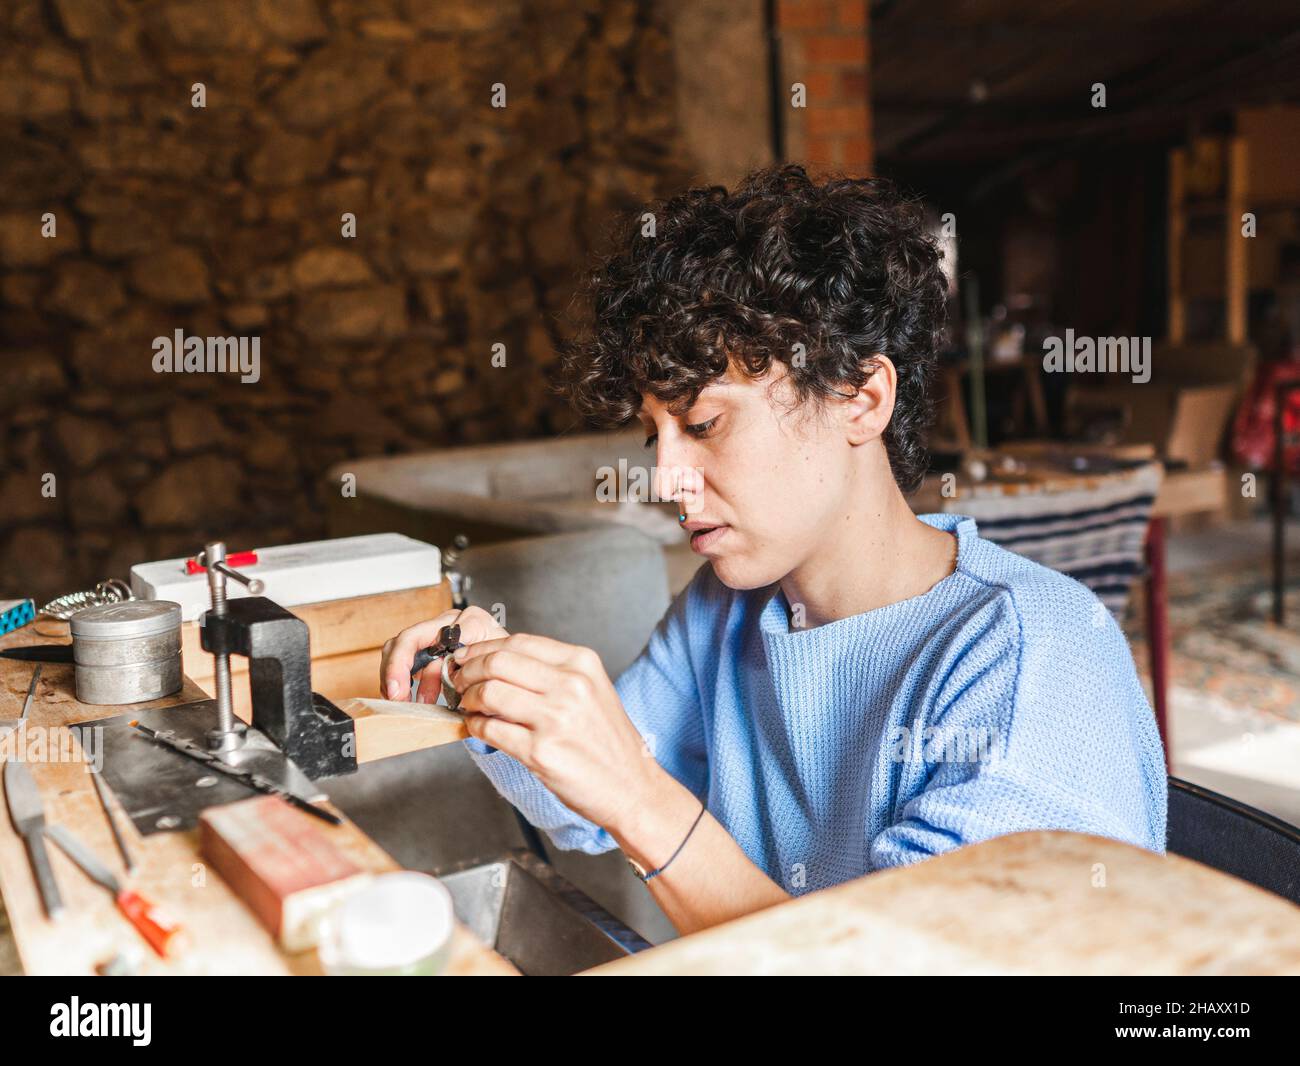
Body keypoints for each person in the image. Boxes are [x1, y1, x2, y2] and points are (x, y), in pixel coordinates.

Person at [380, 164, 1167, 936]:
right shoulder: (725, 608)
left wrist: (645, 804)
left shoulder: (1028, 660)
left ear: (861, 399)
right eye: (653, 434)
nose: (665, 479)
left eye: (703, 424)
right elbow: (584, 805)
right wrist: (488, 681)